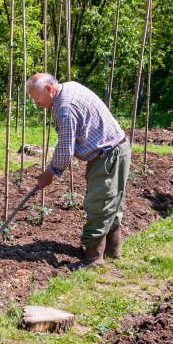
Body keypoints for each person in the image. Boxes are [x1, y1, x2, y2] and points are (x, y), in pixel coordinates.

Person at [26, 72, 131, 269]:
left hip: (108, 155)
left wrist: (50, 173)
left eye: (37, 98)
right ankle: (112, 250)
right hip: (116, 149)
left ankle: (93, 258)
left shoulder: (65, 107)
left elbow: (66, 148)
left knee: (99, 203)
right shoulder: (70, 87)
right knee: (112, 201)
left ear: (48, 89)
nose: (37, 104)